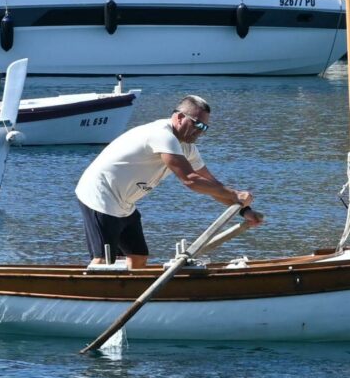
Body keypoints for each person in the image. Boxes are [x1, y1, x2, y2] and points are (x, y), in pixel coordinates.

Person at [72, 94, 259, 268]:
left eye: (204, 127)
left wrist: (244, 210)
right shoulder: (162, 134)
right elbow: (190, 180)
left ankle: (128, 292)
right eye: (196, 124)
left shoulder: (187, 148)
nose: (199, 131)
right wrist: (235, 195)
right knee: (103, 260)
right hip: (99, 195)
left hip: (124, 203)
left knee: (138, 256)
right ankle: (91, 295)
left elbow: (212, 185)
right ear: (178, 117)